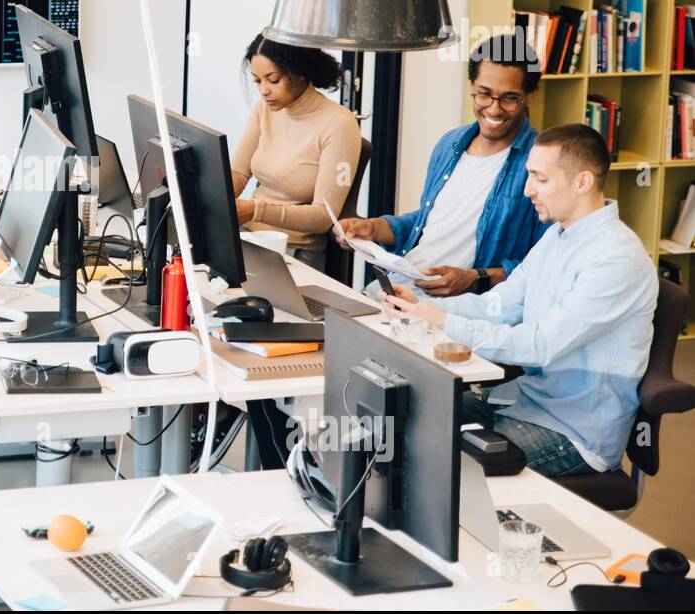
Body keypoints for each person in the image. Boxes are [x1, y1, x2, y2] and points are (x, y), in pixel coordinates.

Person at [383, 124, 658, 476]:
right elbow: (498, 306)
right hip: (521, 401)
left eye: (540, 179)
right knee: (401, 414)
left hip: (572, 429)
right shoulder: (557, 236)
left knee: (438, 467)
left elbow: (539, 345)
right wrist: (424, 308)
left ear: (582, 182)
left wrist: (444, 323)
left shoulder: (616, 260)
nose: (528, 190)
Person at [339, 33, 545, 297]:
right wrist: (376, 228)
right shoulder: (451, 143)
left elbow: (544, 264)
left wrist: (476, 279)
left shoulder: (541, 162)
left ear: (531, 96)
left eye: (509, 98)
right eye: (484, 94)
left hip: (455, 308)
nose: (494, 110)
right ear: (471, 85)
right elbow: (433, 221)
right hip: (397, 288)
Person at [231, 35, 362, 272]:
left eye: (273, 80)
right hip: (248, 237)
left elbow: (324, 216)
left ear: (299, 72)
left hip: (295, 252)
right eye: (257, 81)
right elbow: (238, 174)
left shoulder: (338, 124)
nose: (263, 90)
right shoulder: (265, 110)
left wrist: (256, 209)